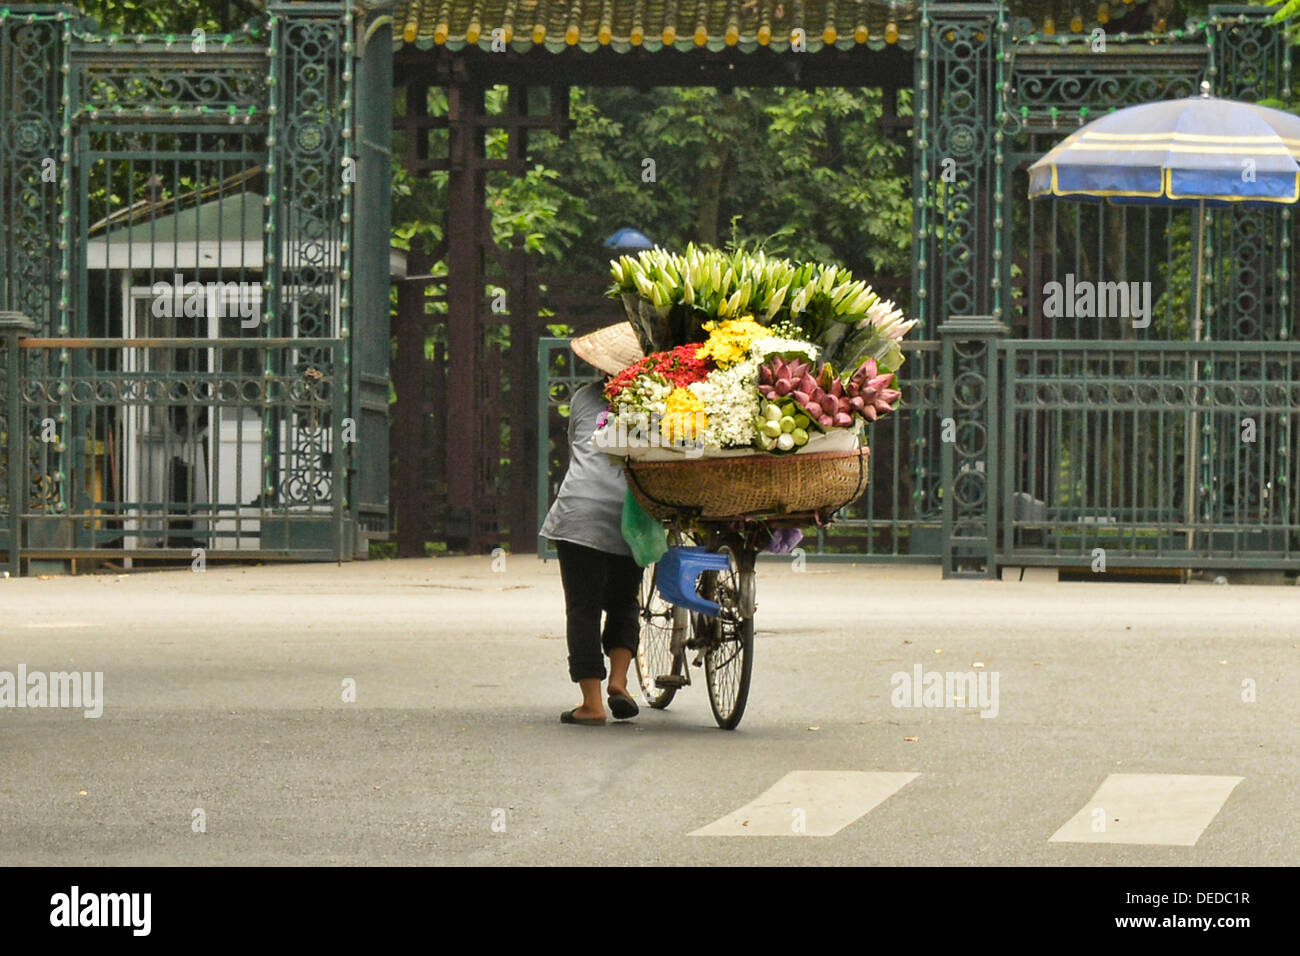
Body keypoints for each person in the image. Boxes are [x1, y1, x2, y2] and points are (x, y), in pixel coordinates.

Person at [540, 323, 647, 726]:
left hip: (580, 510)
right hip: (632, 515)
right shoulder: (661, 405)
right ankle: (619, 681)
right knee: (623, 600)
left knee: (582, 607)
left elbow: (577, 448)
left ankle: (592, 704)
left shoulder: (586, 398)